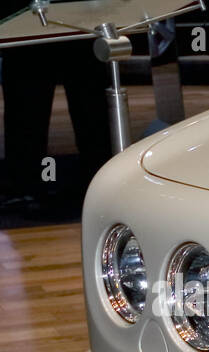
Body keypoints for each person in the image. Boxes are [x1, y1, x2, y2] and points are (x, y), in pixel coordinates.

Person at [1, 1, 112, 213]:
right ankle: (24, 184)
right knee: (27, 107)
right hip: (28, 22)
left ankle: (98, 179)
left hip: (79, 16)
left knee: (90, 107)